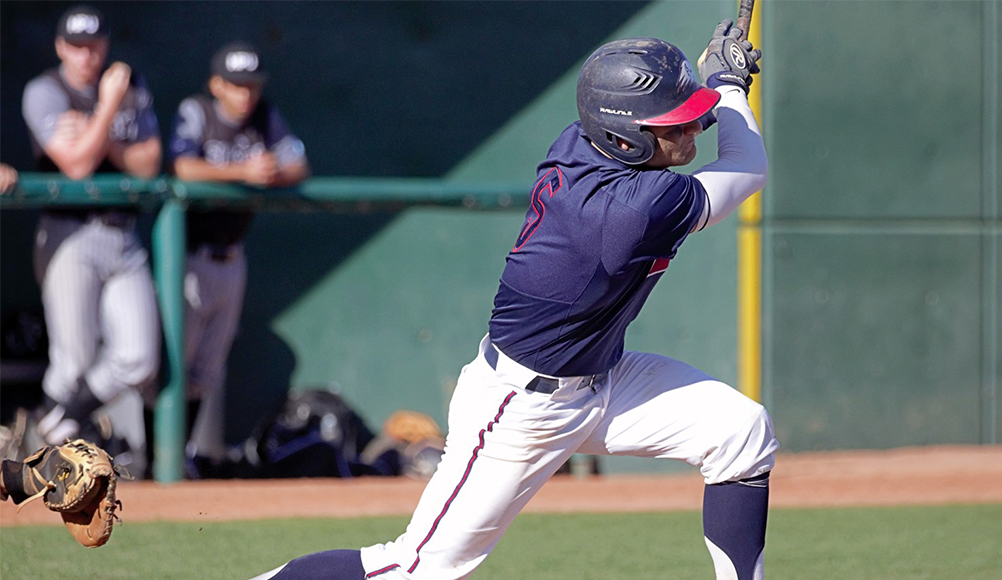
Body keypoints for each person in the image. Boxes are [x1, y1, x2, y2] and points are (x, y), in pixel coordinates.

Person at [243, 21, 774, 580]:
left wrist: (706, 87)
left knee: (739, 432)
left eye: (692, 116)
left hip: (604, 379)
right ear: (624, 139)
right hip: (523, 409)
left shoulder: (583, 140)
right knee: (412, 568)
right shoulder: (632, 208)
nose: (695, 127)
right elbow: (748, 168)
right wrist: (730, 86)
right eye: (675, 123)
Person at [19, 4, 161, 450]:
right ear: (62, 47)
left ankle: (55, 421)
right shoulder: (44, 90)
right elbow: (77, 165)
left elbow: (149, 165)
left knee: (139, 359)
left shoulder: (129, 86)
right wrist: (108, 109)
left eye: (93, 46)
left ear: (105, 46)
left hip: (123, 234)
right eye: (76, 47)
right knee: (73, 361)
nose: (86, 56)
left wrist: (101, 130)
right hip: (70, 234)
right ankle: (37, 458)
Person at [166, 41, 310, 469]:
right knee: (172, 365)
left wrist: (273, 173)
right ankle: (154, 458)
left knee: (206, 371)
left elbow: (299, 166)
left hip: (232, 257)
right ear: (217, 84)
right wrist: (242, 173)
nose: (245, 93)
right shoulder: (198, 111)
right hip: (187, 257)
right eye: (236, 85)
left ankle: (180, 458)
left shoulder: (265, 115)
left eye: (252, 85)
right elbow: (182, 167)